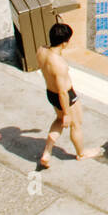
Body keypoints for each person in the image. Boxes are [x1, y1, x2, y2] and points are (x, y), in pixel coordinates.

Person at [37, 22, 100, 167]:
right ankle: (81, 153)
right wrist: (66, 113)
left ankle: (47, 152)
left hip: (50, 93)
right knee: (76, 124)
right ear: (65, 43)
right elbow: (63, 92)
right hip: (66, 97)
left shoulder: (41, 50)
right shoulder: (59, 64)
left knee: (58, 121)